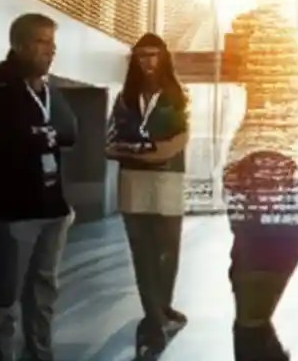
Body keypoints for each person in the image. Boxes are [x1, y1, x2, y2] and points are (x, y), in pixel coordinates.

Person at [222, 0, 298, 361]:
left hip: (281, 153)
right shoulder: (251, 25)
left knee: (257, 266)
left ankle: (258, 340)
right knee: (257, 266)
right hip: (262, 152)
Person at [0, 13, 78, 361]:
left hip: (53, 210)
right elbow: (9, 136)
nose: (51, 50)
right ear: (19, 45)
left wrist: (41, 133)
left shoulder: (48, 90)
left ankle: (40, 355)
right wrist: (43, 133)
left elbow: (71, 131)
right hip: (12, 212)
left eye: (52, 43)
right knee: (5, 298)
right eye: (42, 42)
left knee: (44, 292)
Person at [105, 33, 192, 359]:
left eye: (154, 55)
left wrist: (140, 151)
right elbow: (109, 145)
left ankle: (163, 310)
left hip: (168, 182)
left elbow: (176, 144)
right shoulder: (124, 99)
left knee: (167, 252)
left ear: (164, 58)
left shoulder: (178, 97)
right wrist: (150, 151)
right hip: (134, 184)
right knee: (142, 253)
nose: (148, 62)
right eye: (142, 56)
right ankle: (155, 320)